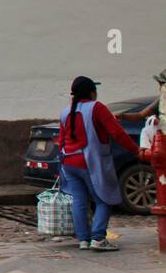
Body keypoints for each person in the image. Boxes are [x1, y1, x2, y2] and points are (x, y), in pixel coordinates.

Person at [57, 75, 145, 250]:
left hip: (69, 163)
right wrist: (136, 150)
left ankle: (83, 239)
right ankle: (98, 238)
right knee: (104, 199)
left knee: (79, 201)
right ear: (92, 92)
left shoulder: (65, 112)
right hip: (90, 162)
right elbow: (117, 133)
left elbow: (61, 140)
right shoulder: (97, 108)